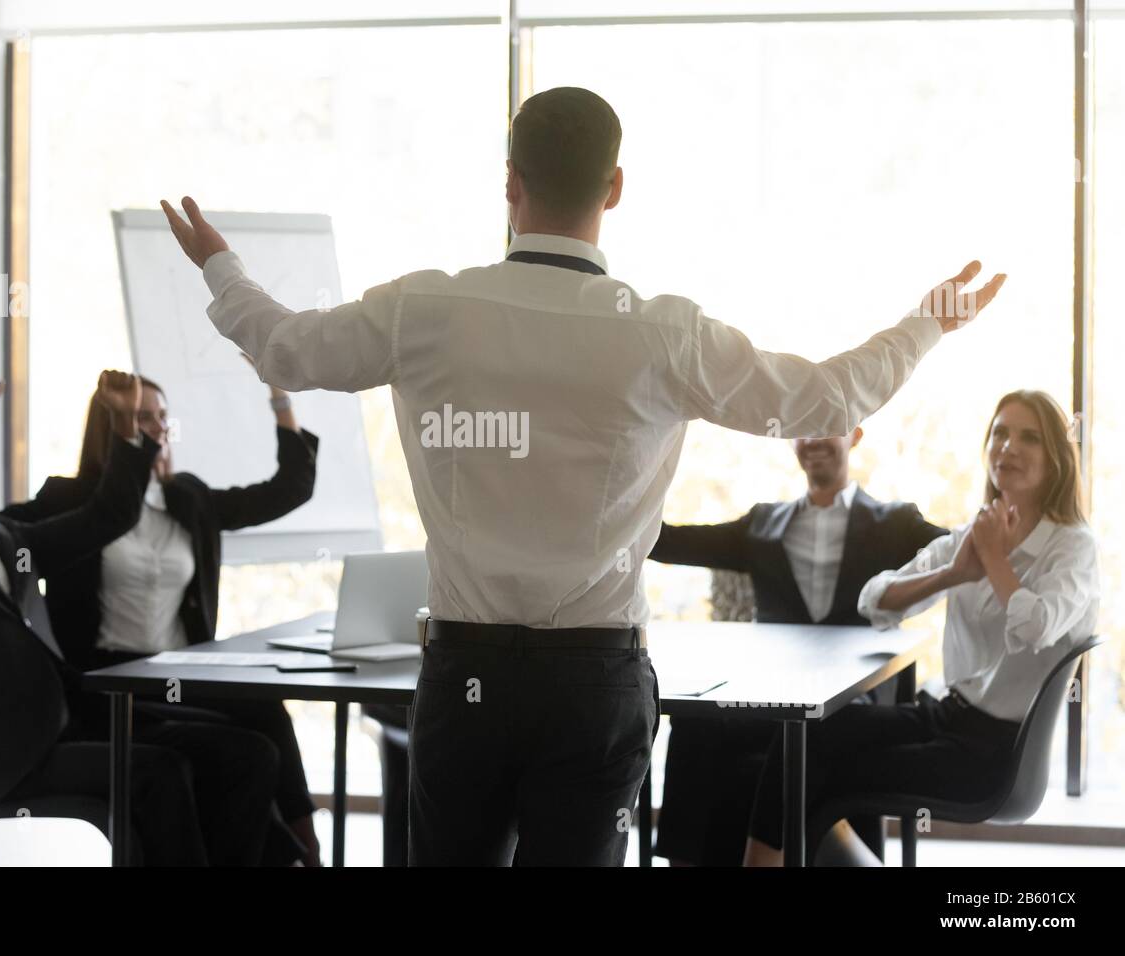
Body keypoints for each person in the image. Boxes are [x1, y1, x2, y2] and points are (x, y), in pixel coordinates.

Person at [160, 86, 1005, 866]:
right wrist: (928, 323)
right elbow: (823, 396)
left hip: (466, 677)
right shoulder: (663, 335)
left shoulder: (425, 311)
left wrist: (220, 268)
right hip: (594, 685)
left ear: (509, 184)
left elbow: (286, 349)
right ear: (616, 187)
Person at [0, 374, 282, 866]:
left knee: (249, 754)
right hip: (13, 754)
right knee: (161, 771)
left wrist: (124, 422)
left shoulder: (7, 537)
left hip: (76, 717)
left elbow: (107, 516)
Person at [0, 353, 323, 866]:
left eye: (160, 417)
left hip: (182, 673)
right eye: (139, 415)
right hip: (109, 680)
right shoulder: (71, 499)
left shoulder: (187, 499)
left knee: (266, 713)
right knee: (248, 748)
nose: (155, 428)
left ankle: (311, 852)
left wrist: (281, 397)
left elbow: (289, 489)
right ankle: (287, 855)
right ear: (113, 424)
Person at [743, 390, 1099, 866]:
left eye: (1028, 438)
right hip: (946, 717)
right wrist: (956, 573)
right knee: (809, 737)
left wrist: (993, 560)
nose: (1008, 447)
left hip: (993, 756)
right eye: (1000, 433)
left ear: (1056, 458)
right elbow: (874, 601)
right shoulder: (971, 537)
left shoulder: (1073, 547)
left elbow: (1038, 627)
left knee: (822, 773)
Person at [648, 427, 948, 865]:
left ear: (858, 435)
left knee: (834, 736)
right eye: (803, 429)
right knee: (697, 725)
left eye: (829, 426)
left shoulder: (896, 522)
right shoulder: (761, 524)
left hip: (852, 698)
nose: (814, 439)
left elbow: (957, 552)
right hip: (772, 697)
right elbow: (671, 542)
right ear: (790, 442)